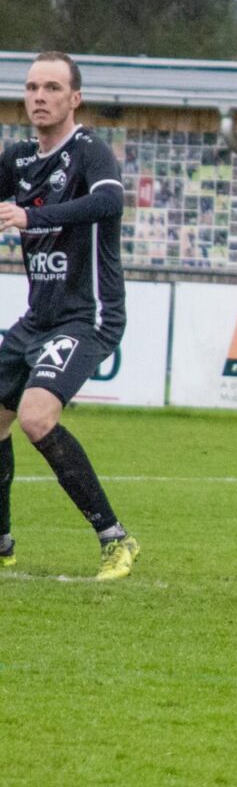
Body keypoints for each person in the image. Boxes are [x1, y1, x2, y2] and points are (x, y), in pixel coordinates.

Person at [0, 52, 136, 579]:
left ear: (73, 98)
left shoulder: (89, 153)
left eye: (52, 87)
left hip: (89, 314)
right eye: (32, 86)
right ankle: (3, 541)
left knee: (36, 416)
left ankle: (116, 540)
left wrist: (30, 215)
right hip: (38, 317)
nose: (39, 96)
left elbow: (108, 204)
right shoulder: (18, 161)